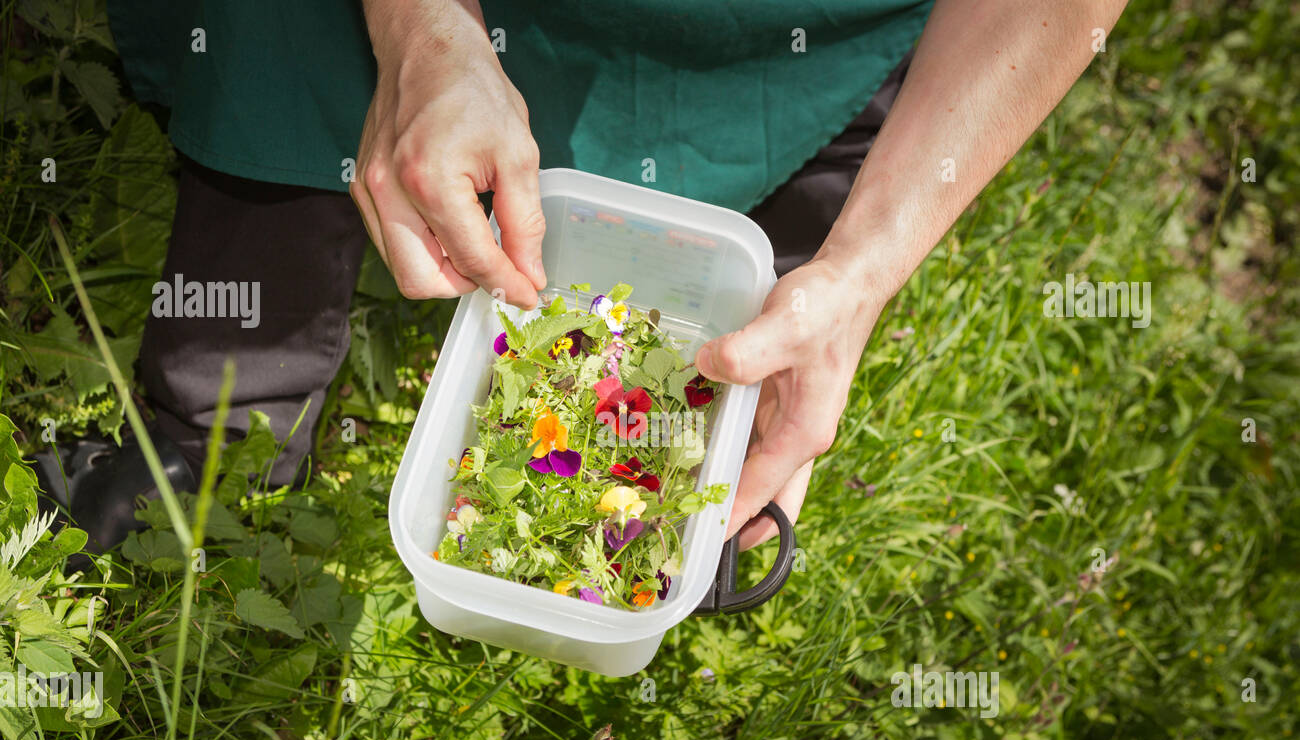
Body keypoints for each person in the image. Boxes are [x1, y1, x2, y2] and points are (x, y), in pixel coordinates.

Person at [47, 0, 1126, 553]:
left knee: (723, 328)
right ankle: (216, 445)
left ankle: (650, 513)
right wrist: (421, 30)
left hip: (800, 32)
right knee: (292, 69)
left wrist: (860, 273)